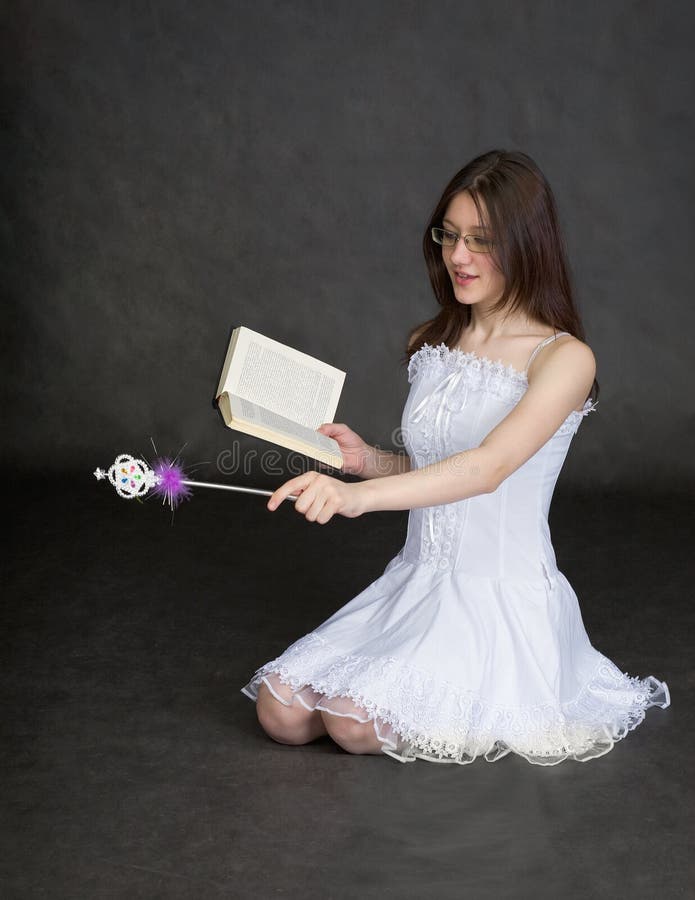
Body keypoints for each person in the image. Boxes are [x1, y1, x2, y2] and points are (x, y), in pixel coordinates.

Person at [240, 149, 670, 765]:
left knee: (354, 726)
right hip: (416, 581)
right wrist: (369, 463)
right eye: (450, 235)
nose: (458, 257)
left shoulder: (565, 358)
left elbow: (488, 468)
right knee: (279, 712)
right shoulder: (434, 341)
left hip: (496, 601)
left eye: (481, 240)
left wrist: (358, 498)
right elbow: (433, 466)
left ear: (527, 245)